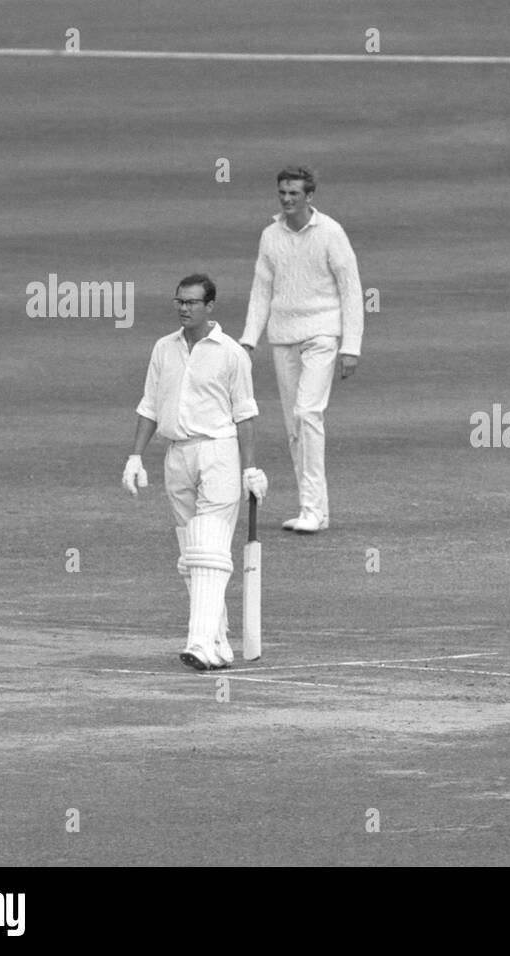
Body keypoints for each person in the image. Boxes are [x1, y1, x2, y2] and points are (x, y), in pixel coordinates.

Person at [122, 274, 268, 671]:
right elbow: (150, 405)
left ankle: (200, 642)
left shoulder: (231, 353)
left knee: (208, 546)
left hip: (219, 452)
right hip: (177, 455)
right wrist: (136, 456)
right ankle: (218, 642)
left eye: (191, 302)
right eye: (179, 301)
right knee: (192, 555)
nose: (184, 308)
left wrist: (250, 467)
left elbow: (245, 413)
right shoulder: (163, 348)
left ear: (210, 306)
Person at [238, 165, 363, 534]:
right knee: (295, 424)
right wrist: (248, 339)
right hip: (283, 335)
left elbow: (351, 289)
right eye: (283, 193)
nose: (287, 199)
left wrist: (351, 345)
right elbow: (261, 289)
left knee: (309, 412)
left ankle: (312, 509)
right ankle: (313, 510)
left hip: (323, 333)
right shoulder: (270, 236)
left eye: (294, 193)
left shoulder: (331, 233)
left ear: (310, 196)